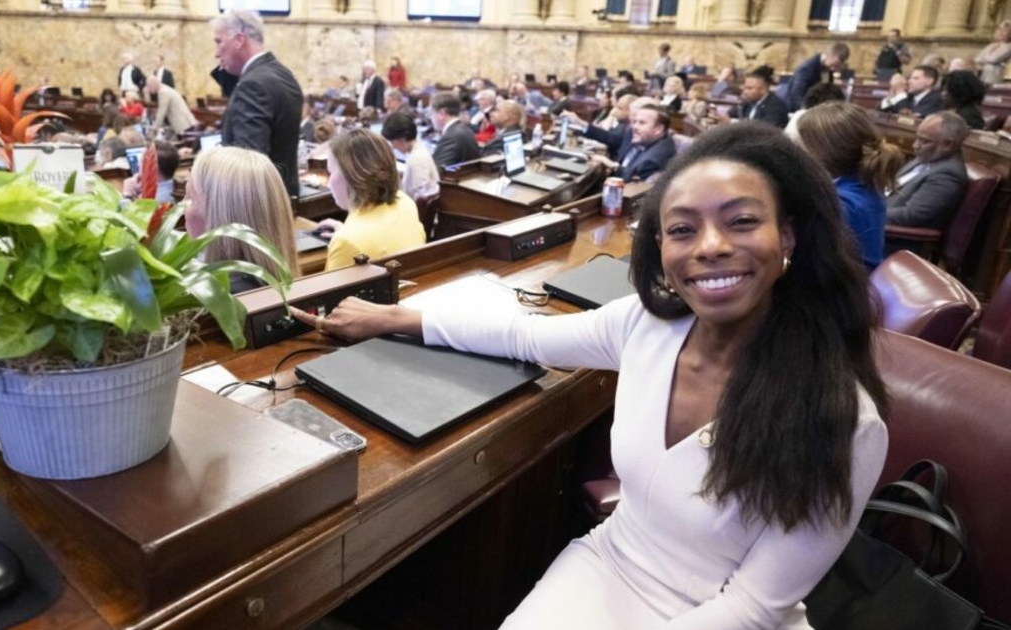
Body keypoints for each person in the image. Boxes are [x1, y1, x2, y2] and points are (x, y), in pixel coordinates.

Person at [295, 121, 888, 630]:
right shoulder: (646, 325)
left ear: (786, 237)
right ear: (661, 248)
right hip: (610, 565)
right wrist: (395, 317)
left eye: (740, 222)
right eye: (683, 229)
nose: (709, 247)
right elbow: (522, 334)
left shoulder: (845, 420)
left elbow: (756, 606)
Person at [797, 101, 903, 270]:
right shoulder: (861, 185)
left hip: (843, 291)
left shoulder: (840, 204)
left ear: (821, 152)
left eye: (801, 145)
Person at [183, 146, 299, 293]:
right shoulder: (275, 284)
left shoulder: (215, 299)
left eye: (190, 199)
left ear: (218, 215)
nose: (181, 208)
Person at [215, 9, 305, 196]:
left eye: (219, 42)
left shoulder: (252, 85)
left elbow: (247, 165)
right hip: (285, 195)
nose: (216, 53)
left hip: (257, 208)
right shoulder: (283, 74)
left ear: (239, 40)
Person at [313, 129, 426, 271]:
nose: (328, 183)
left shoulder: (346, 241)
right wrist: (346, 231)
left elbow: (328, 292)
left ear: (352, 176)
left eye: (331, 172)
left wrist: (346, 237)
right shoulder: (405, 202)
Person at [886, 111, 969, 229]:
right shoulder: (926, 158)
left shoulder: (948, 175)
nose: (915, 145)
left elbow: (911, 215)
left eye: (924, 141)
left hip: (894, 236)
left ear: (948, 144)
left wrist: (866, 212)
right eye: (917, 138)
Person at [589, 104, 676, 182]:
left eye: (642, 123)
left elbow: (634, 181)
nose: (634, 127)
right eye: (635, 122)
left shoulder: (655, 157)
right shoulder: (640, 137)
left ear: (658, 129)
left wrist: (611, 165)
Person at [381, 111, 440, 200]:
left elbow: (421, 199)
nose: (393, 147)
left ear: (401, 139)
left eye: (393, 142)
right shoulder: (420, 149)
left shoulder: (416, 159)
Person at [782, 42, 849, 112]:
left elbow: (826, 90)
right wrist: (805, 112)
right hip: (797, 111)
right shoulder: (806, 69)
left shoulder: (826, 69)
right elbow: (796, 95)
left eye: (838, 66)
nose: (834, 69)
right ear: (829, 55)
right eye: (834, 64)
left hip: (815, 110)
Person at [429, 91, 480, 168]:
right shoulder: (465, 129)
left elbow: (437, 172)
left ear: (442, 114)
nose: (430, 117)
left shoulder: (450, 137)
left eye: (432, 113)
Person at [976, 20, 1011, 84]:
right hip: (984, 73)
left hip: (996, 74)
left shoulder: (1008, 47)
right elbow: (978, 59)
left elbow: (993, 59)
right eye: (1000, 30)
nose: (1001, 32)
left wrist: (985, 60)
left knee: (990, 67)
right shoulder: (991, 45)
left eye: (1005, 31)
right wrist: (986, 60)